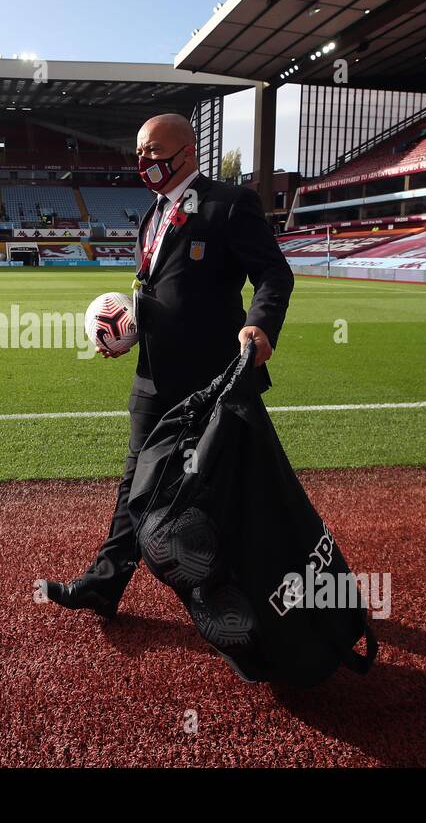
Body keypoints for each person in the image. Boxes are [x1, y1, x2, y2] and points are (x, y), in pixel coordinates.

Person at [45, 113, 295, 619]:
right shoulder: (152, 214)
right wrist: (125, 334)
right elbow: (160, 289)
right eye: (138, 152)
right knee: (137, 481)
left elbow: (274, 272)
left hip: (213, 382)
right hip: (153, 376)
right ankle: (105, 583)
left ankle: (281, 590)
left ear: (187, 152)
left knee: (234, 487)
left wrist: (261, 326)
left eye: (153, 152)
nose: (143, 162)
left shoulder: (230, 204)